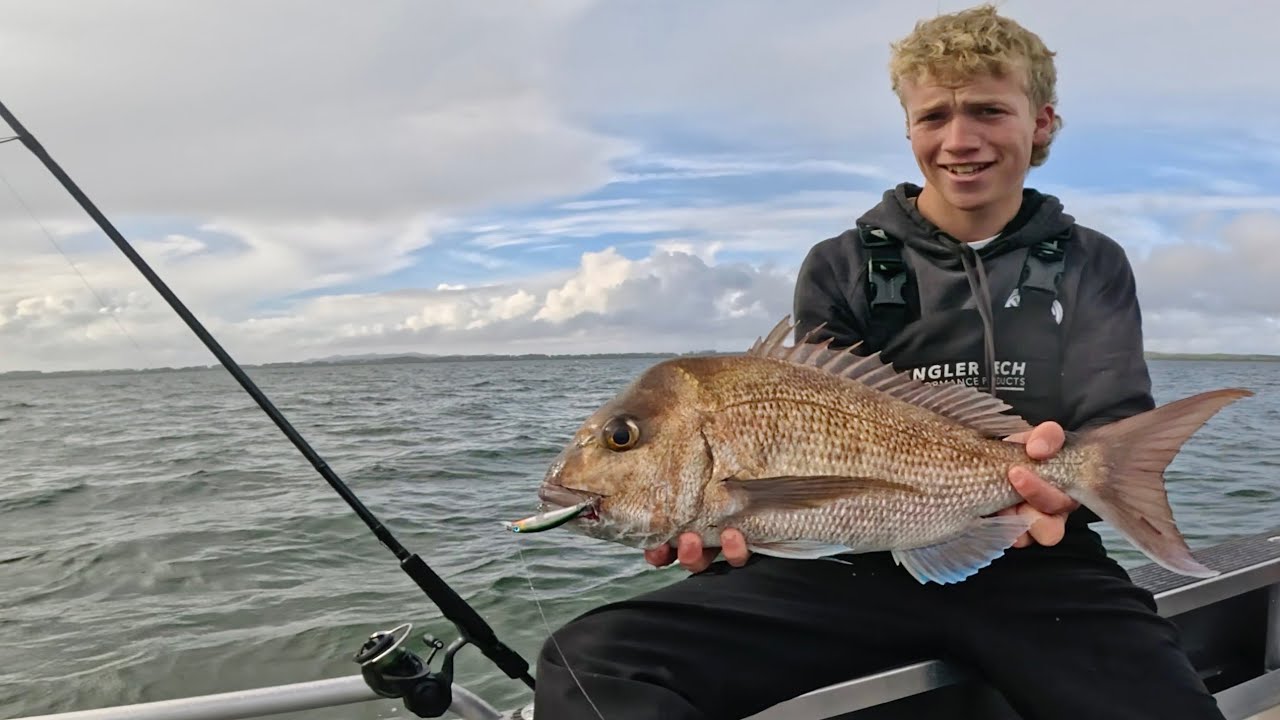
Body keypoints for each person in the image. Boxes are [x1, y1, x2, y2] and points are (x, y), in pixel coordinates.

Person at [532, 5, 1225, 719]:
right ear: (908, 129)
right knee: (590, 663)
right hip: (846, 568)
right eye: (934, 117)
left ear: (1042, 122)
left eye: (988, 110)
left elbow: (1112, 418)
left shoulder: (1090, 261)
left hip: (1041, 562)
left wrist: (1063, 482)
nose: (960, 140)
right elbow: (819, 424)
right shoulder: (840, 265)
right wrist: (726, 527)